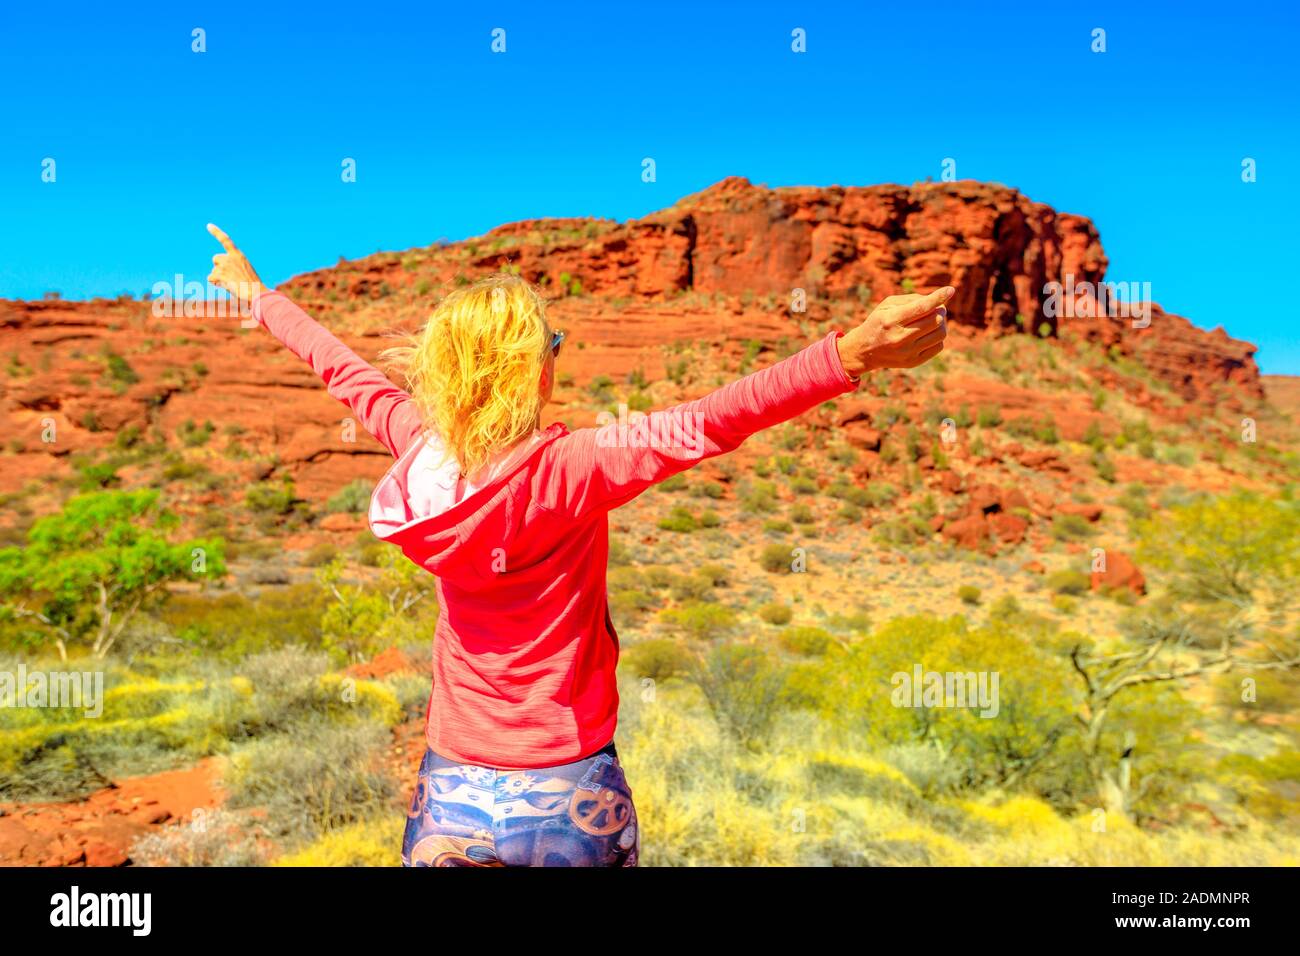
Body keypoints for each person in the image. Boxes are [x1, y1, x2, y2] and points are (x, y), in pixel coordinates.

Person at [205, 223, 953, 867]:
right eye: (551, 344)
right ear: (534, 367)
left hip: (452, 794)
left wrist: (259, 297)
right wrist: (849, 353)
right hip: (569, 792)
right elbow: (713, 420)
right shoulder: (576, 467)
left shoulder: (419, 457)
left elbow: (347, 375)